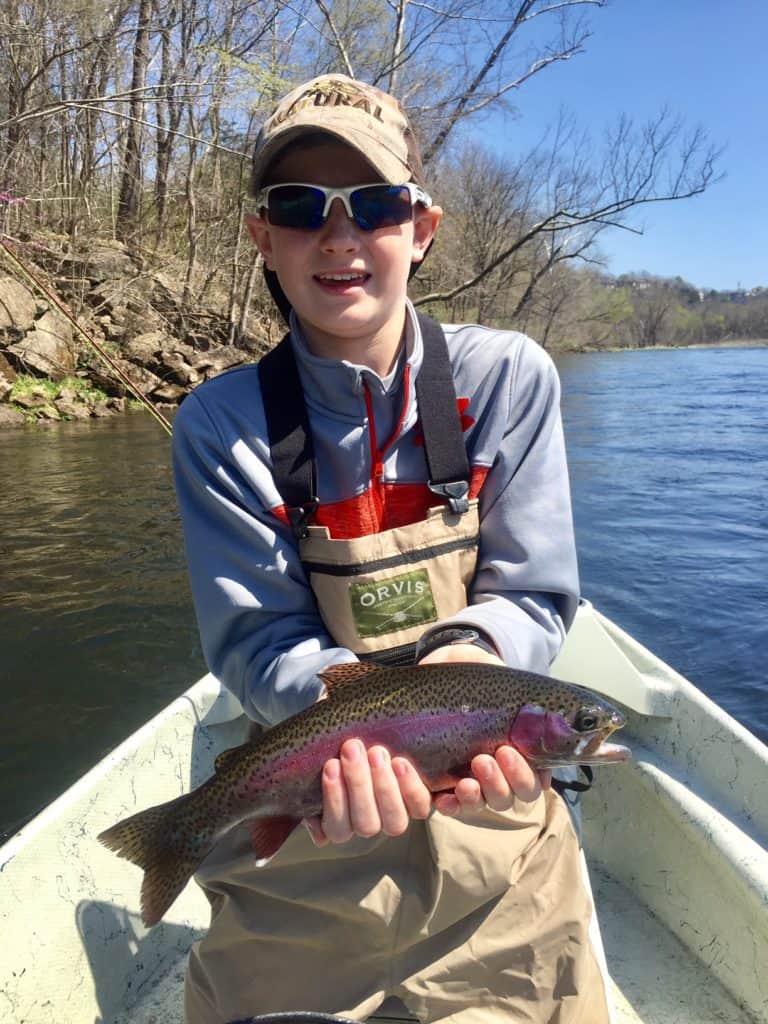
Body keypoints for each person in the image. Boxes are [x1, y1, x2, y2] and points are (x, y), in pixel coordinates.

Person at [172, 73, 611, 1024]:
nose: (338, 236)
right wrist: (343, 734)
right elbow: (259, 644)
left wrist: (472, 662)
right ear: (262, 236)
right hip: (313, 819)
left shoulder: (506, 380)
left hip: (494, 823)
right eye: (300, 207)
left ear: (420, 229)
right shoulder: (222, 424)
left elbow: (533, 599)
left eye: (372, 203)